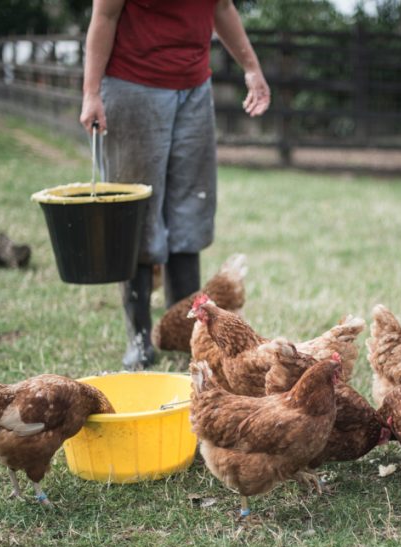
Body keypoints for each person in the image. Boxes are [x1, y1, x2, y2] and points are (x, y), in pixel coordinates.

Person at [79, 0, 270, 369]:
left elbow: (222, 7)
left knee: (190, 212)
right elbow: (104, 15)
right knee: (136, 212)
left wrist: (252, 69)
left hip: (195, 88)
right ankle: (139, 337)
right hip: (133, 85)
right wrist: (91, 93)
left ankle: (183, 336)